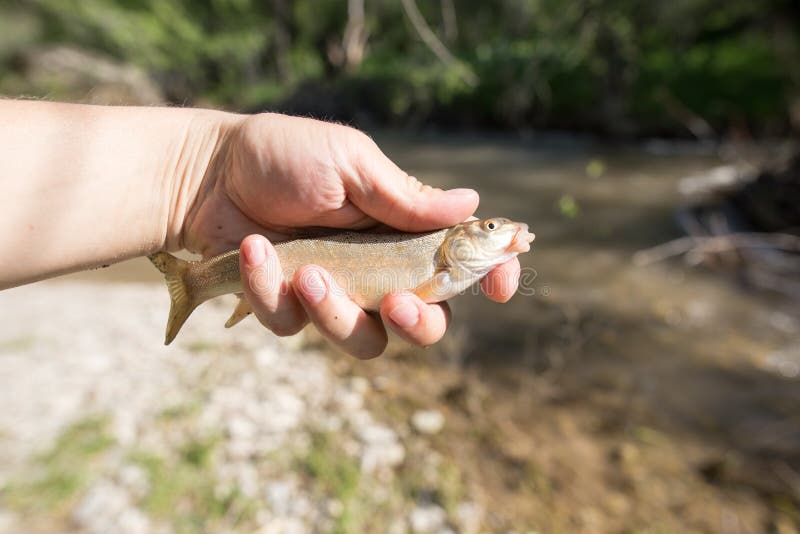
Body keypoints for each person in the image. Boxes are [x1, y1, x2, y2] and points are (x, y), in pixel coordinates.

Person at [0, 100, 521, 358]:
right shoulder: (445, 263)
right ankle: (192, 282)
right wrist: (215, 166)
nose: (503, 232)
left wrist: (208, 169)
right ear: (462, 238)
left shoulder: (454, 264)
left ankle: (197, 282)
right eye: (491, 227)